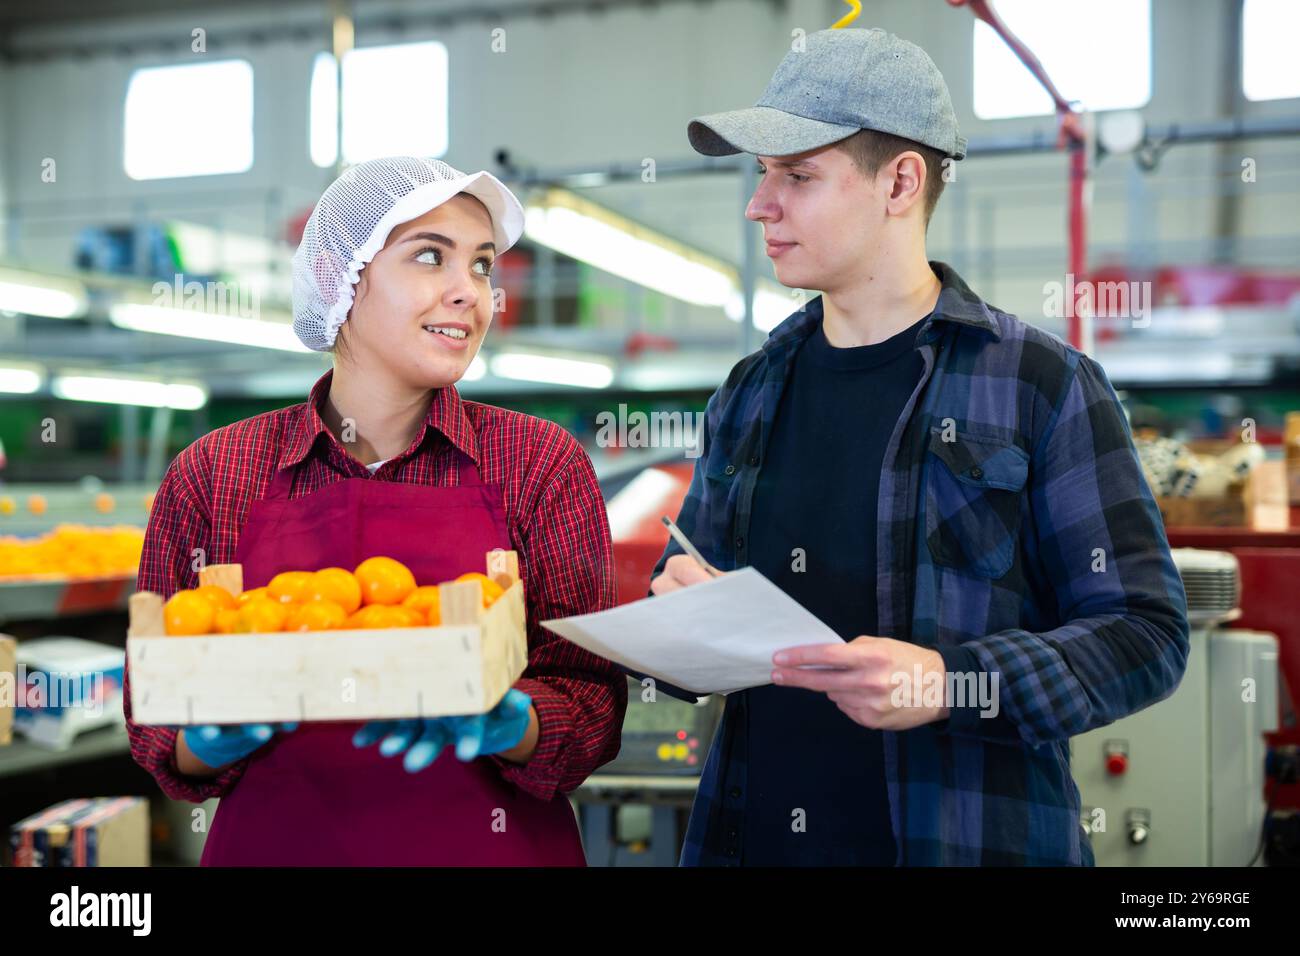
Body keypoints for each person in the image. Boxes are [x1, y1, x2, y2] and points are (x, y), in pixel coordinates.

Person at [651, 28, 1189, 866]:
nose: (760, 206)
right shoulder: (751, 391)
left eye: (797, 176)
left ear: (900, 181)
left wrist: (953, 683)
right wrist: (680, 610)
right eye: (762, 176)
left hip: (967, 843)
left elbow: (1146, 635)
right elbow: (695, 592)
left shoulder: (1039, 384)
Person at [125, 156, 626, 866]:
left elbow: (594, 703)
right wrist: (200, 740)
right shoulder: (214, 473)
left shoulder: (538, 464)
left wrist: (509, 724)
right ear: (337, 280)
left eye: (482, 266)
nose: (472, 294)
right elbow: (153, 717)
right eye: (430, 257)